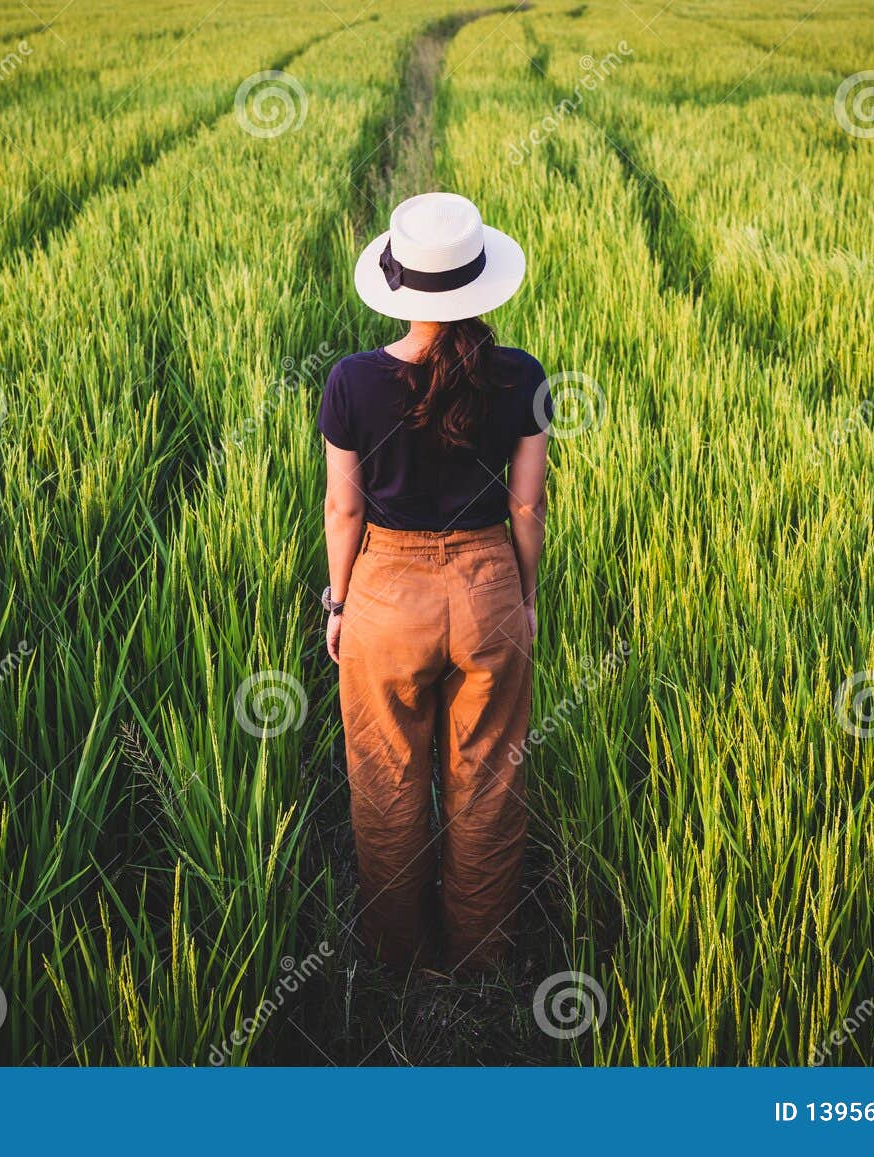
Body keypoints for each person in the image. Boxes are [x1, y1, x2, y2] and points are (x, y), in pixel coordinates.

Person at [318, 192, 549, 972]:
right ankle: (481, 964)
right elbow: (527, 503)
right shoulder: (523, 377)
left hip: (386, 595)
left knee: (387, 781)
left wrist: (340, 602)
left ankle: (395, 963)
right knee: (487, 782)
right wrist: (522, 598)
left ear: (402, 287)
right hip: (487, 589)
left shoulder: (350, 383)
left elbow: (343, 508)